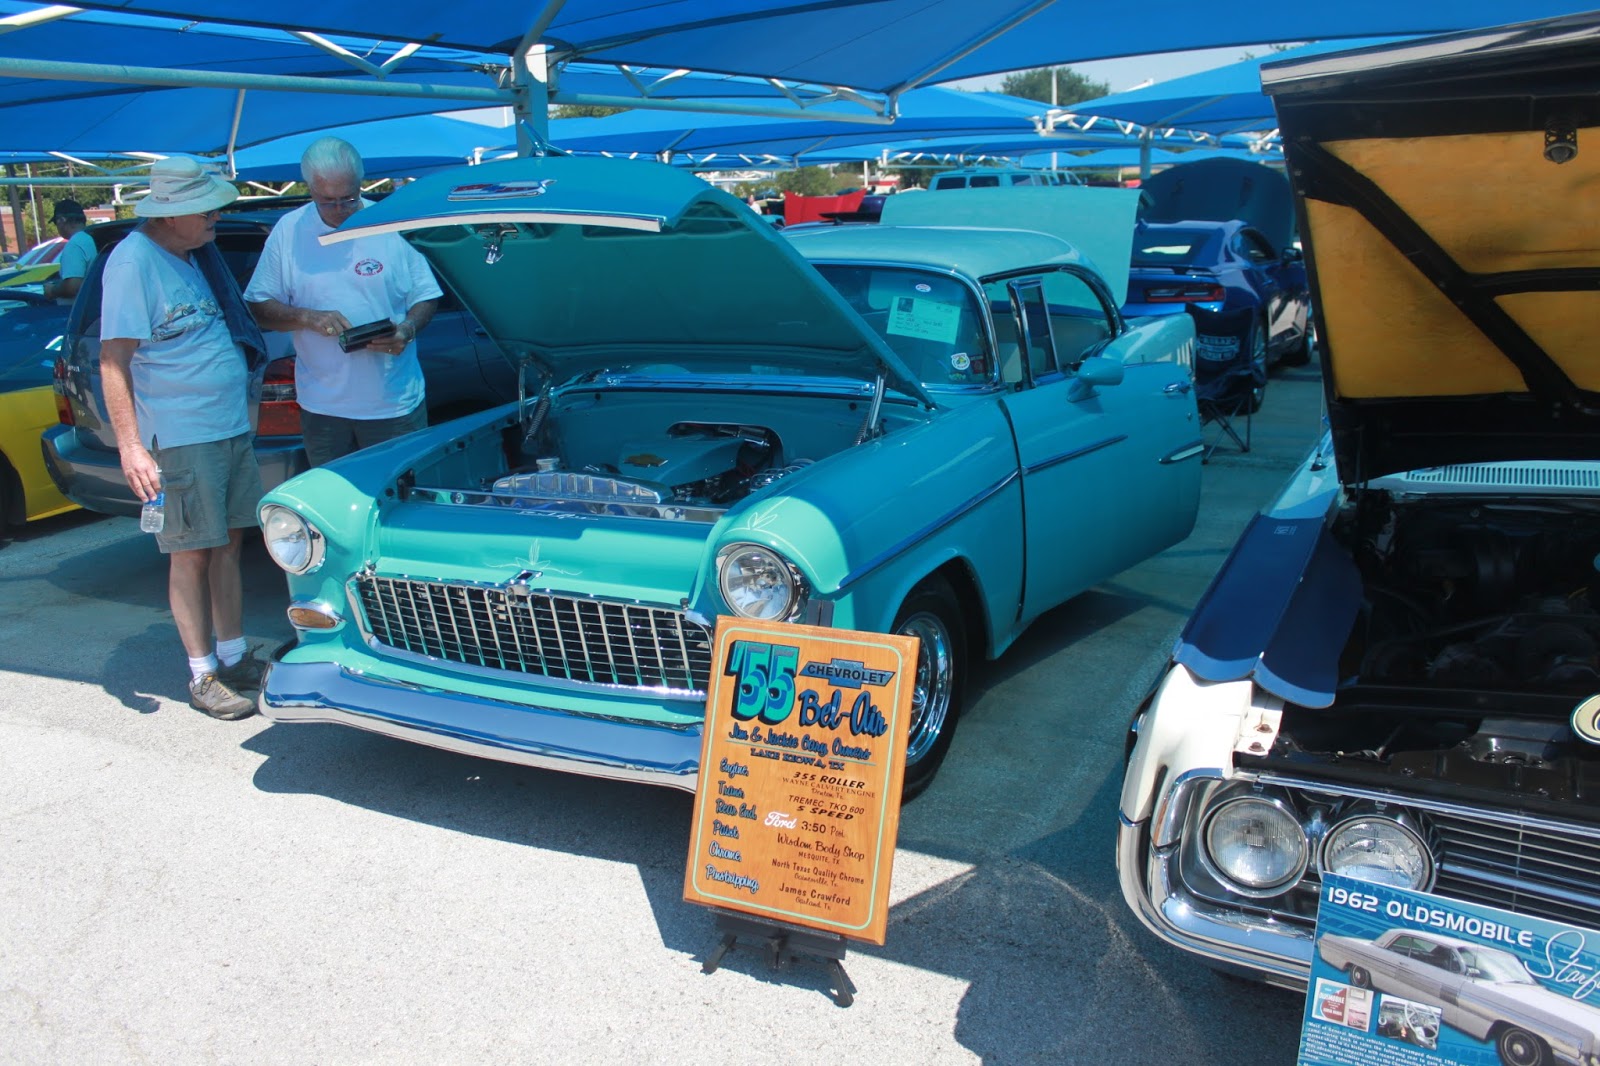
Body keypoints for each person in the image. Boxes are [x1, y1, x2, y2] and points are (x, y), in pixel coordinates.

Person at [100, 157, 271, 721]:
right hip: (181, 436)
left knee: (227, 544)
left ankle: (234, 654)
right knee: (190, 552)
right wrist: (130, 446)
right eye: (207, 209)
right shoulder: (133, 263)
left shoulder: (189, 253)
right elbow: (113, 360)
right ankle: (202, 674)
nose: (216, 217)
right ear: (172, 215)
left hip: (225, 427)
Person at [245, 137, 441, 466]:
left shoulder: (389, 221)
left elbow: (426, 295)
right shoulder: (289, 231)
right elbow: (258, 308)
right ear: (309, 189)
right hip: (322, 408)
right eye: (327, 201)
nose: (339, 210)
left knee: (397, 496)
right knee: (332, 504)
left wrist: (406, 330)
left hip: (393, 404)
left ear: (360, 184)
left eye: (349, 199)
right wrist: (307, 318)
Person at [42, 199, 96, 305]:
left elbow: (73, 286)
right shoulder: (88, 239)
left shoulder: (74, 244)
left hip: (73, 313)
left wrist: (52, 290)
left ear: (61, 220)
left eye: (55, 223)